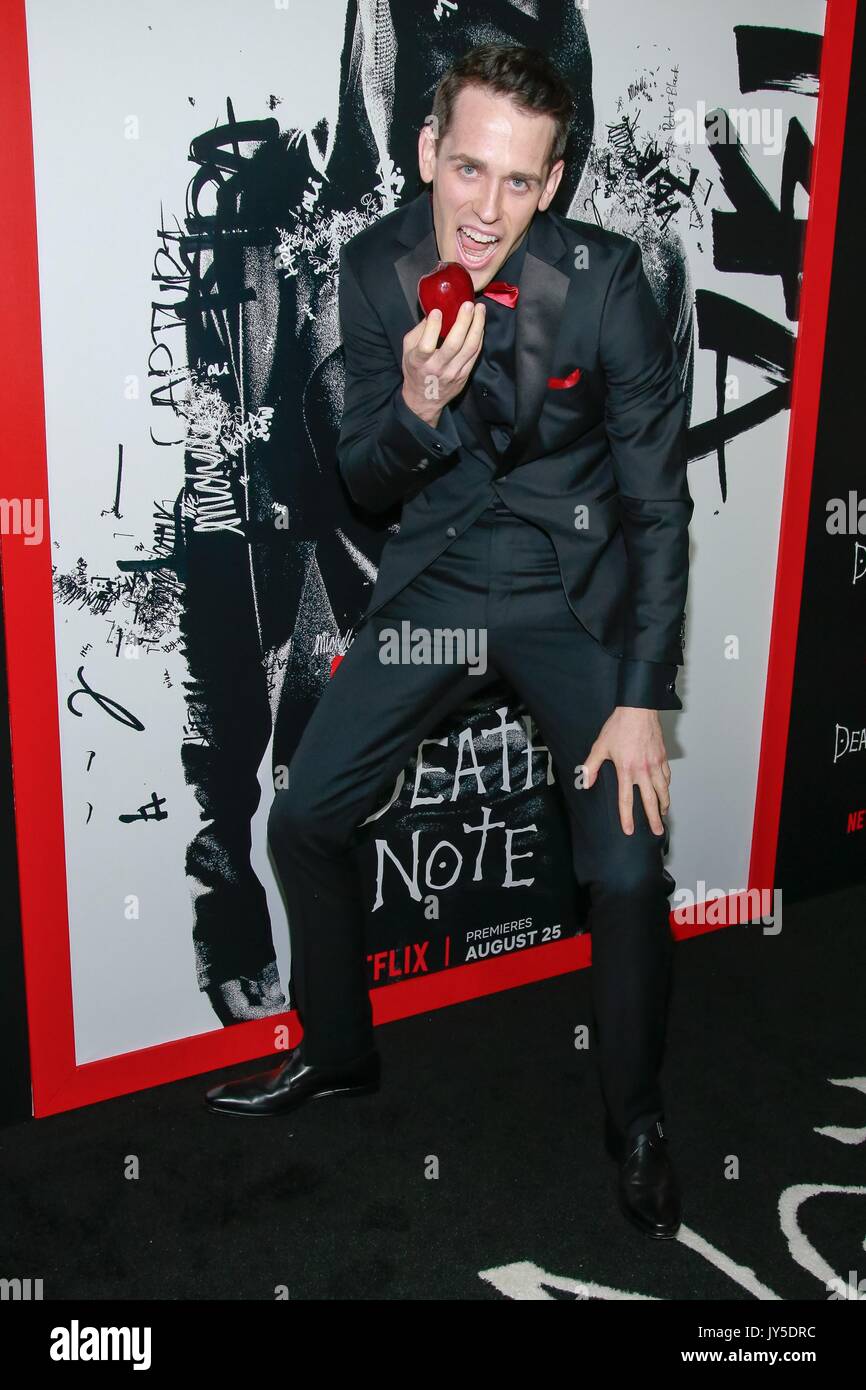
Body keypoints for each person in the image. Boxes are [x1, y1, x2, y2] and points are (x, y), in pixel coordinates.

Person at [206, 44, 693, 1241]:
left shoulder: (606, 280)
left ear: (554, 180)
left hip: (571, 595)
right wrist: (418, 407)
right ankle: (336, 1048)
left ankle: (633, 1117)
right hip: (435, 584)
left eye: (518, 183)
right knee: (304, 816)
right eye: (466, 168)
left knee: (626, 871)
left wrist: (643, 696)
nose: (484, 209)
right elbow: (364, 484)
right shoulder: (372, 271)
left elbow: (655, 505)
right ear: (428, 152)